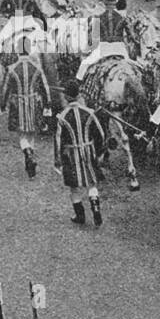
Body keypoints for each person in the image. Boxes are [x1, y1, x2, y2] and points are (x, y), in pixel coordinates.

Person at [52, 80, 107, 227]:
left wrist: (57, 160)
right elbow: (101, 134)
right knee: (92, 183)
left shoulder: (62, 117)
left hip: (71, 154)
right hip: (89, 151)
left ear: (66, 97)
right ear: (78, 95)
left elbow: (58, 141)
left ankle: (80, 216)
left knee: (74, 187)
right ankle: (96, 209)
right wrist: (100, 151)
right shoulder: (89, 113)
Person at [0, 51, 53, 179]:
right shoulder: (37, 67)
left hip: (17, 104)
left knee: (22, 135)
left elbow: (6, 88)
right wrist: (47, 104)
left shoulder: (12, 69)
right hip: (34, 102)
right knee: (31, 133)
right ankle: (30, 161)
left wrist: (2, 105)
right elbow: (45, 88)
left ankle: (28, 154)